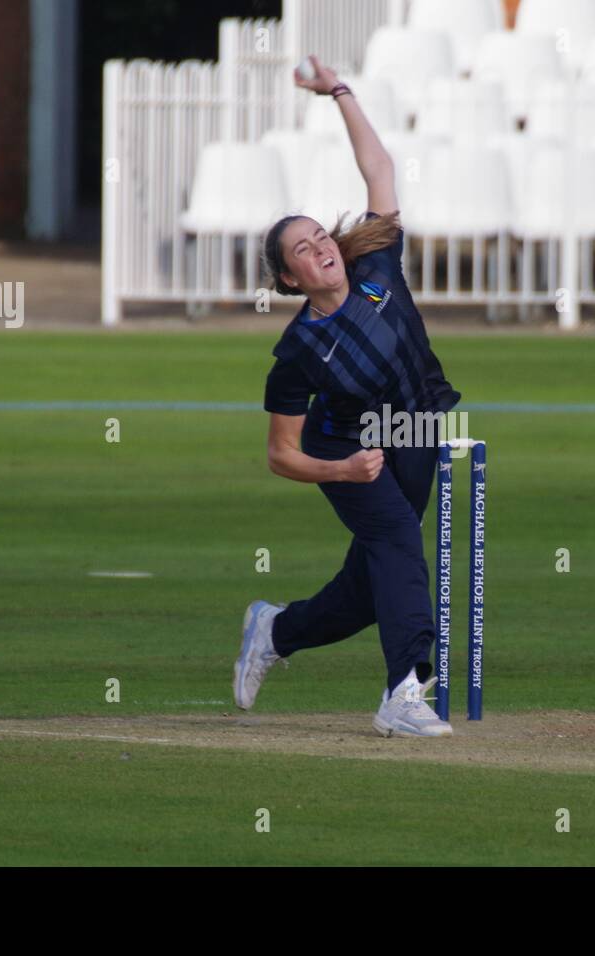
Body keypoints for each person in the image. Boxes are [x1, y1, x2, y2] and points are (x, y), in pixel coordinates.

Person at [233, 56, 462, 738]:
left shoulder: (377, 265)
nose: (320, 247)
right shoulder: (297, 351)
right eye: (302, 249)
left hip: (420, 425)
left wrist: (339, 91)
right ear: (289, 276)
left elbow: (379, 169)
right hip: (348, 448)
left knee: (374, 584)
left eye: (320, 235)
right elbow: (280, 455)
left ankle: (275, 630)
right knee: (397, 541)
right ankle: (402, 691)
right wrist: (341, 470)